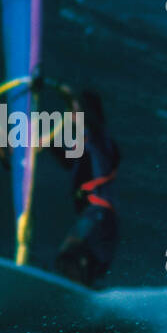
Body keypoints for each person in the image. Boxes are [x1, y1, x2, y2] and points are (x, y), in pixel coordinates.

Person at [51, 90, 120, 287]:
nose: (69, 113)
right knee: (84, 263)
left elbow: (92, 121)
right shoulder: (85, 142)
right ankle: (86, 301)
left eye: (74, 109)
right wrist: (48, 144)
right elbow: (68, 162)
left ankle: (76, 292)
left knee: (68, 254)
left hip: (98, 212)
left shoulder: (98, 137)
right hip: (99, 216)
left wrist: (67, 92)